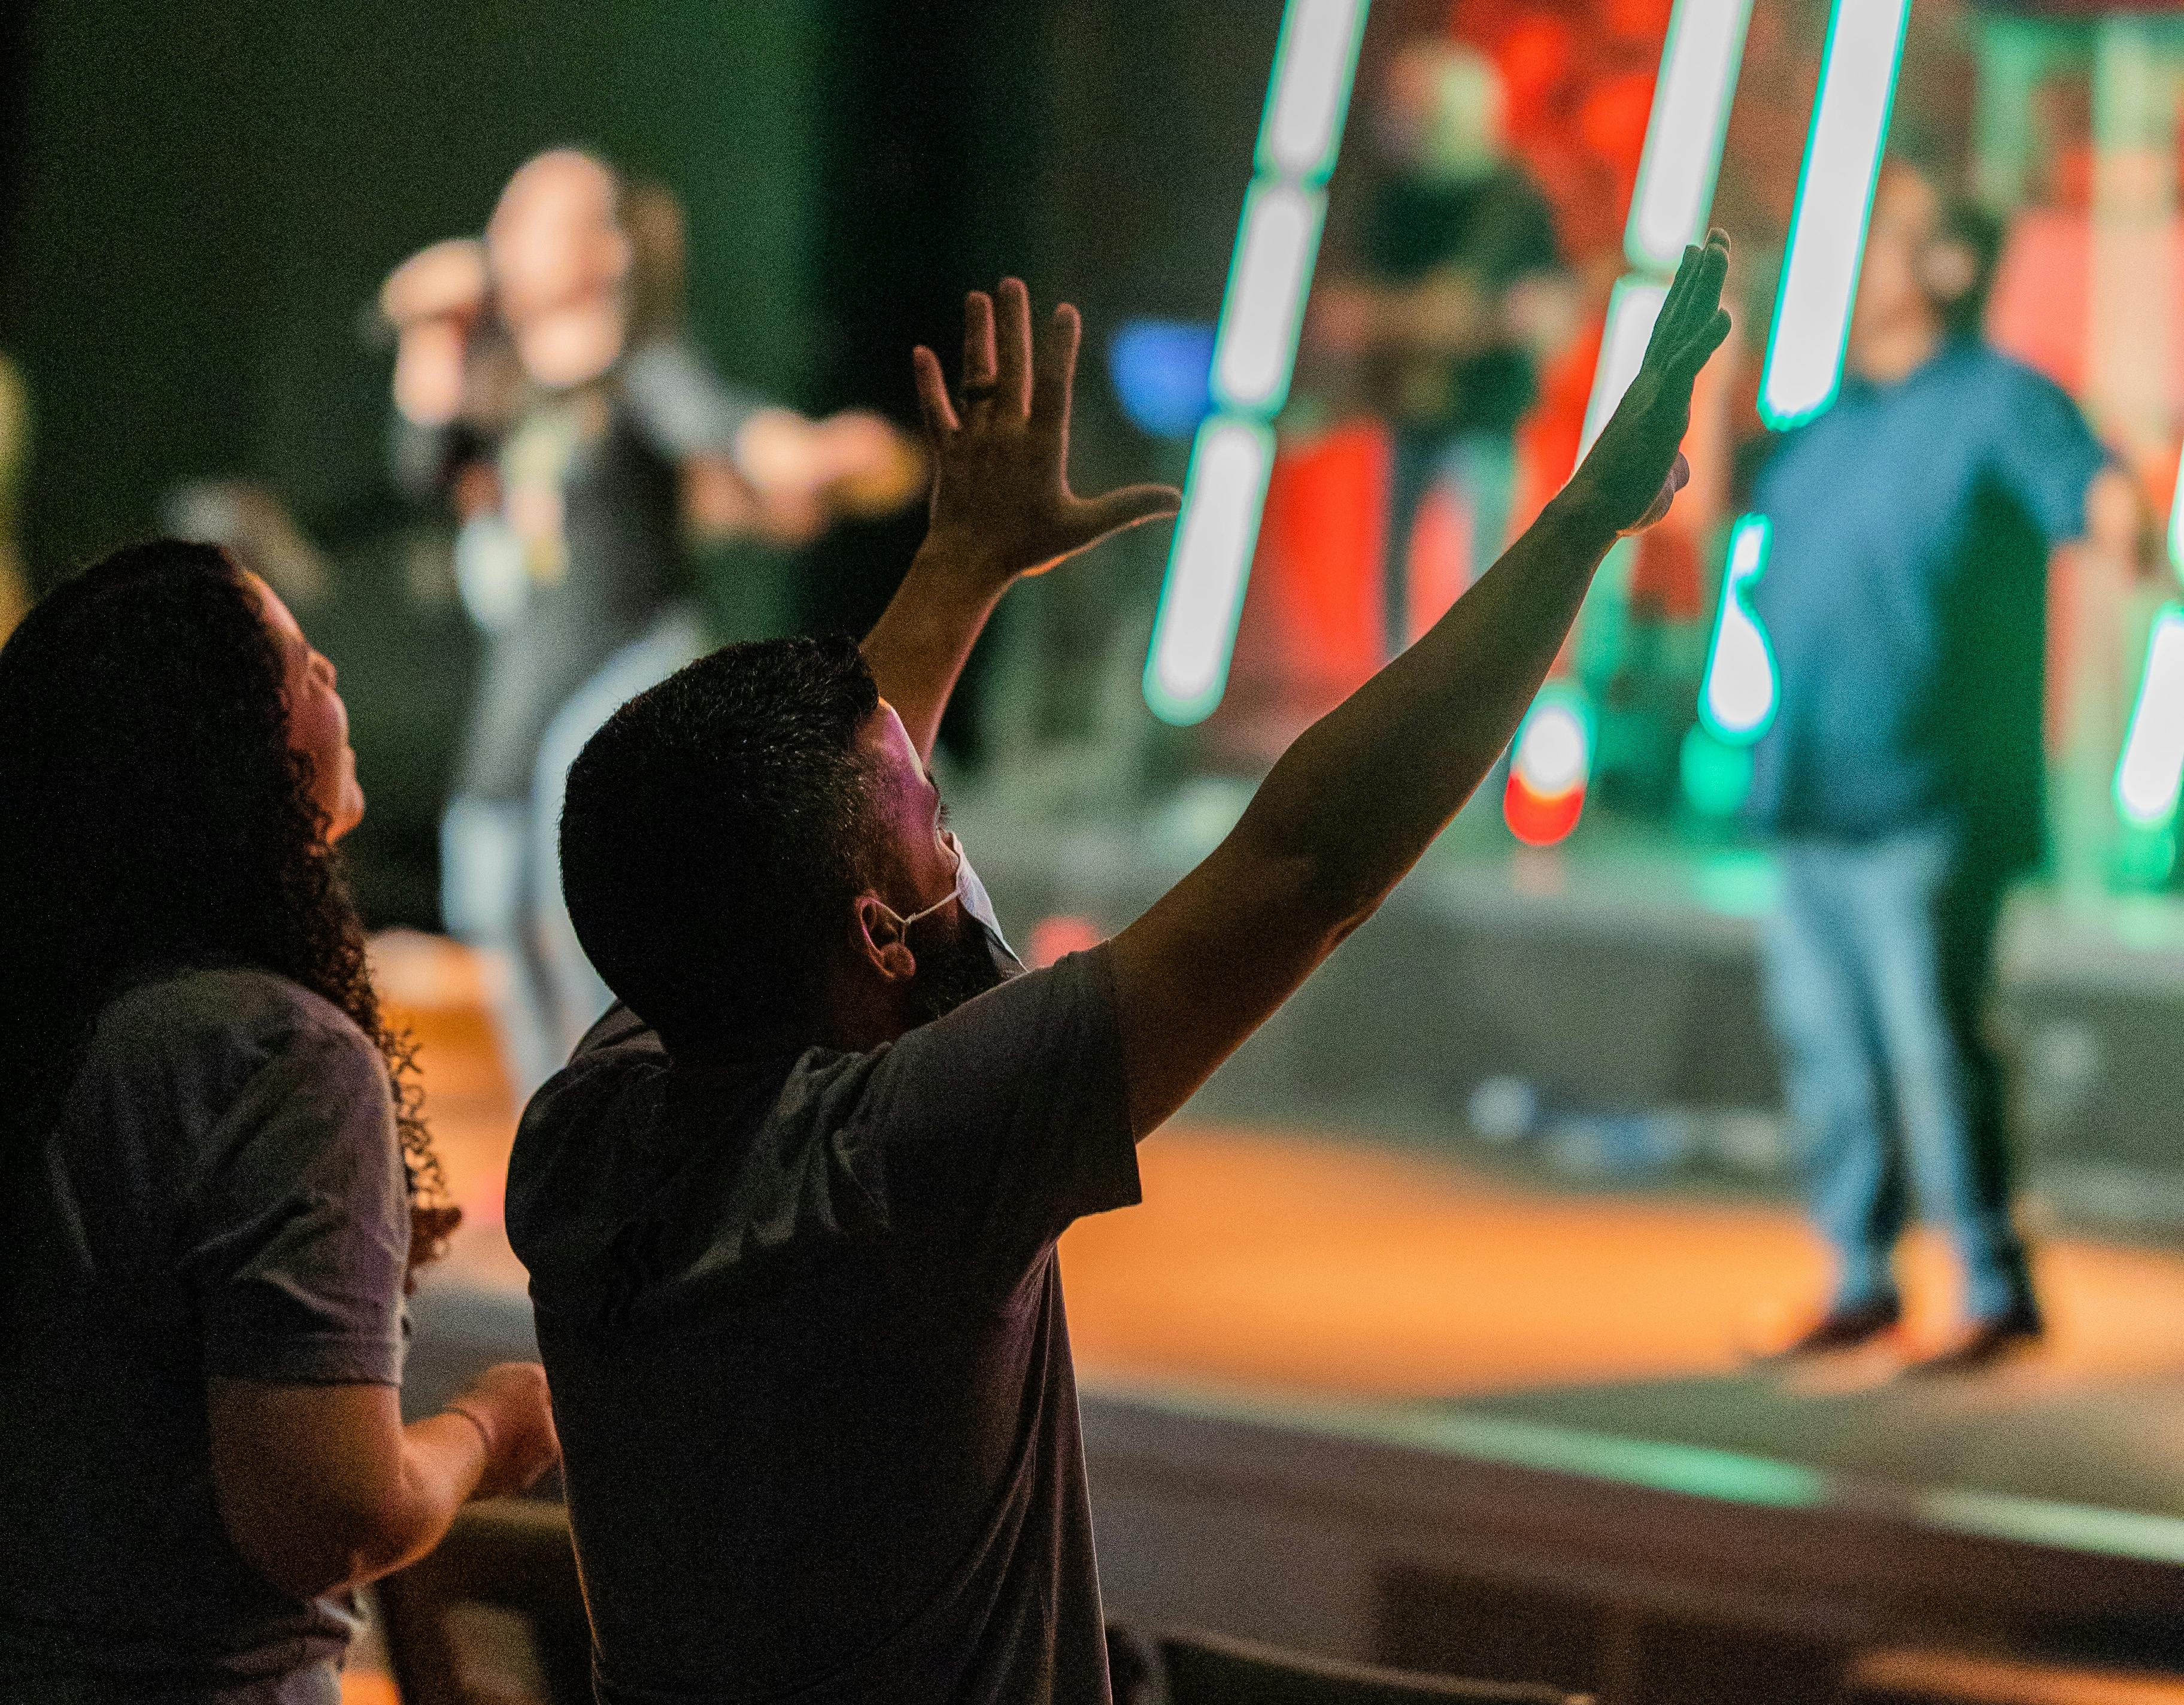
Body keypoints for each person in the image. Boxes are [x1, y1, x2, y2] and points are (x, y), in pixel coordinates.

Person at [506, 242, 1727, 1703]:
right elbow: (1305, 864)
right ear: (881, 941)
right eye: (940, 827)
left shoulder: (587, 1131)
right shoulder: (901, 1164)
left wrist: (961, 561)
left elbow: (770, 844)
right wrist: (1582, 525)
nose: (960, 849)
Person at [0, 541, 560, 1704]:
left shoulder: (54, 1011)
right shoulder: (275, 1055)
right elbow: (327, 1518)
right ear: (222, 749)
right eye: (299, 668)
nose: (333, 674)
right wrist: (489, 1427)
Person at [384, 150, 921, 1094]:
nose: (503, 241)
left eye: (534, 221)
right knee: (483, 882)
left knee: (582, 885)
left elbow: (720, 424)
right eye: (503, 219)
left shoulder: (640, 371)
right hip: (528, 680)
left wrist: (808, 452)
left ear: (606, 254)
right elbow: (423, 467)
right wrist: (434, 331)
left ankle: (642, 1119)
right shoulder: (505, 387)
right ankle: (565, 1118)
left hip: (623, 666)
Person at [1745, 161, 2147, 1370]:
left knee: (1936, 1047)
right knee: (1829, 1051)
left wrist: (2138, 513)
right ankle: (1860, 1277)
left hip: (1932, 799)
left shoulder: (2004, 404)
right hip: (1808, 787)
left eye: (1886, 238)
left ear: (1946, 266)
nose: (1854, 260)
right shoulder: (1825, 424)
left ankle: (1991, 1281)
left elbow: (2101, 499)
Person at [1310, 38, 1575, 657]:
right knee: (1396, 592)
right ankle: (1398, 728)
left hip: (1485, 423)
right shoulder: (1391, 201)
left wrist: (1449, 320)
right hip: (1408, 421)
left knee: (1487, 586)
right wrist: (1441, 319)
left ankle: (1478, 731)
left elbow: (1548, 315)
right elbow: (1342, 315)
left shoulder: (1514, 199)